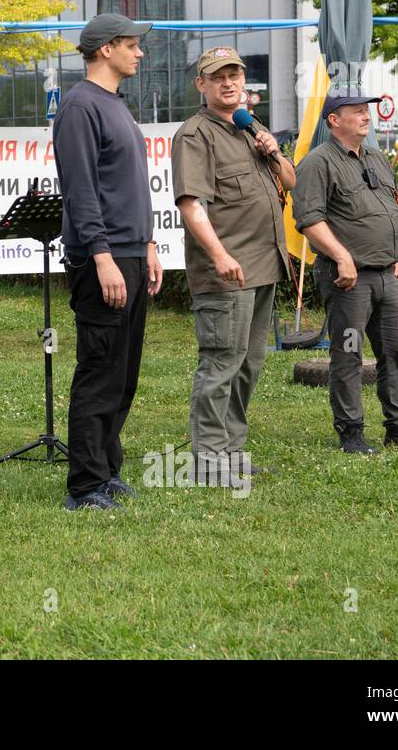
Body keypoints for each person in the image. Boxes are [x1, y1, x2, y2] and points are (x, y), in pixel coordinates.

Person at [291, 92, 398, 453]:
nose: (366, 116)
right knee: (348, 353)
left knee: (396, 352)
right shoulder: (318, 163)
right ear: (334, 120)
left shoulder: (376, 157)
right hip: (348, 280)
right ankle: (351, 431)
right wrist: (342, 256)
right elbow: (309, 220)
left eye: (367, 111)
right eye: (357, 111)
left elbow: (397, 206)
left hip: (385, 277)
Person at [53, 12, 163, 512]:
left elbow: (127, 188)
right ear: (104, 50)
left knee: (123, 373)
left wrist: (148, 244)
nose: (139, 52)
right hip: (103, 259)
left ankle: (106, 467)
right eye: (130, 44)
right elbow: (82, 192)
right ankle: (84, 485)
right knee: (99, 369)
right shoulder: (79, 107)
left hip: (130, 254)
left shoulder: (115, 105)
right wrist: (102, 256)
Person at [171, 46, 295, 487]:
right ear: (201, 85)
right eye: (218, 77)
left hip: (264, 266)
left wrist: (274, 150)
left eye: (235, 76)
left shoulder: (250, 128)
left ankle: (232, 452)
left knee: (249, 365)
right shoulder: (195, 135)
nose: (229, 83)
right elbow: (191, 204)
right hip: (226, 272)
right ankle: (209, 462)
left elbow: (290, 181)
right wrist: (220, 255)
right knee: (221, 363)